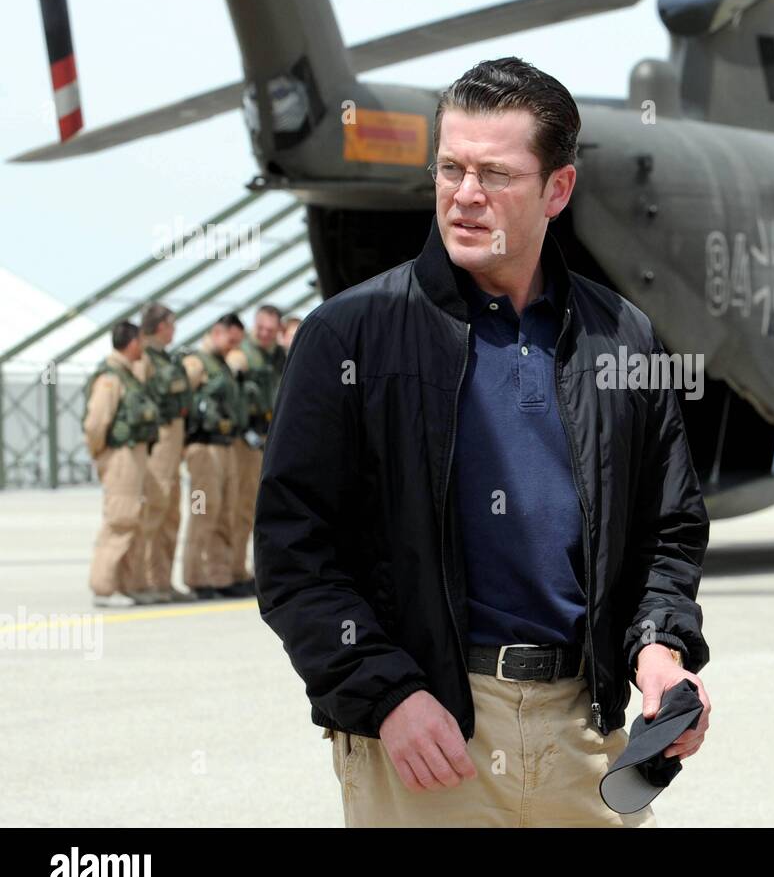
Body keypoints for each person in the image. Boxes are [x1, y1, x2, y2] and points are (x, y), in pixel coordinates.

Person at [255, 56, 712, 827]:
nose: (465, 196)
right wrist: (387, 694)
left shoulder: (624, 337)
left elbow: (669, 530)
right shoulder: (348, 336)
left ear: (557, 190)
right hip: (430, 738)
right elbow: (294, 554)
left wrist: (660, 651)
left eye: (494, 174)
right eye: (450, 169)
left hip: (586, 736)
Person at [83, 320, 162, 607]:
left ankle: (130, 584)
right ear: (132, 343)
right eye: (141, 341)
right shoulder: (111, 377)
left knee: (134, 518)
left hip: (135, 455)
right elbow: (95, 423)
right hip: (120, 456)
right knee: (120, 519)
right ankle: (103, 589)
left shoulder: (129, 374)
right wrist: (100, 454)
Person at [179, 315, 246, 600]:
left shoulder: (222, 364)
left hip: (225, 444)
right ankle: (195, 576)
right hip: (203, 447)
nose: (233, 347)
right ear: (216, 332)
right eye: (230, 340)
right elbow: (181, 405)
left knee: (226, 512)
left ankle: (221, 575)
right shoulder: (195, 363)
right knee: (203, 511)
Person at [137, 302, 195, 602]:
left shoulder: (164, 357)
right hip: (158, 439)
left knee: (171, 511)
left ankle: (163, 580)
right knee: (155, 509)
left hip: (173, 439)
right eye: (171, 324)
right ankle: (147, 580)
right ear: (161, 326)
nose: (174, 330)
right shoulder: (144, 357)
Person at [225, 305, 285, 593]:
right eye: (260, 328)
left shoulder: (278, 356)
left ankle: (243, 569)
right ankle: (233, 570)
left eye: (270, 331)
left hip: (268, 439)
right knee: (238, 507)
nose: (264, 334)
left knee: (255, 509)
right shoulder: (242, 354)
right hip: (245, 441)